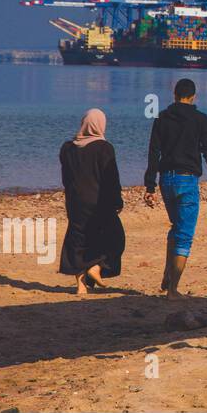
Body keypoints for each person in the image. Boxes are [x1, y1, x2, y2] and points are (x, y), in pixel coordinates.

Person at [144, 78, 207, 298]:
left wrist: (150, 186)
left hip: (166, 181)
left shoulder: (160, 118)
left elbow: (153, 153)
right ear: (193, 97)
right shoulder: (201, 120)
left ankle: (167, 276)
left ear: (175, 95)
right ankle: (173, 290)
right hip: (187, 180)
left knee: (176, 226)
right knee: (185, 235)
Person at [59, 109, 126, 295]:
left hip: (75, 201)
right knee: (115, 238)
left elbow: (66, 177)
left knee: (78, 241)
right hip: (99, 202)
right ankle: (97, 268)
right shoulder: (104, 148)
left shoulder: (68, 148)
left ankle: (81, 286)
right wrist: (117, 201)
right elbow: (111, 178)